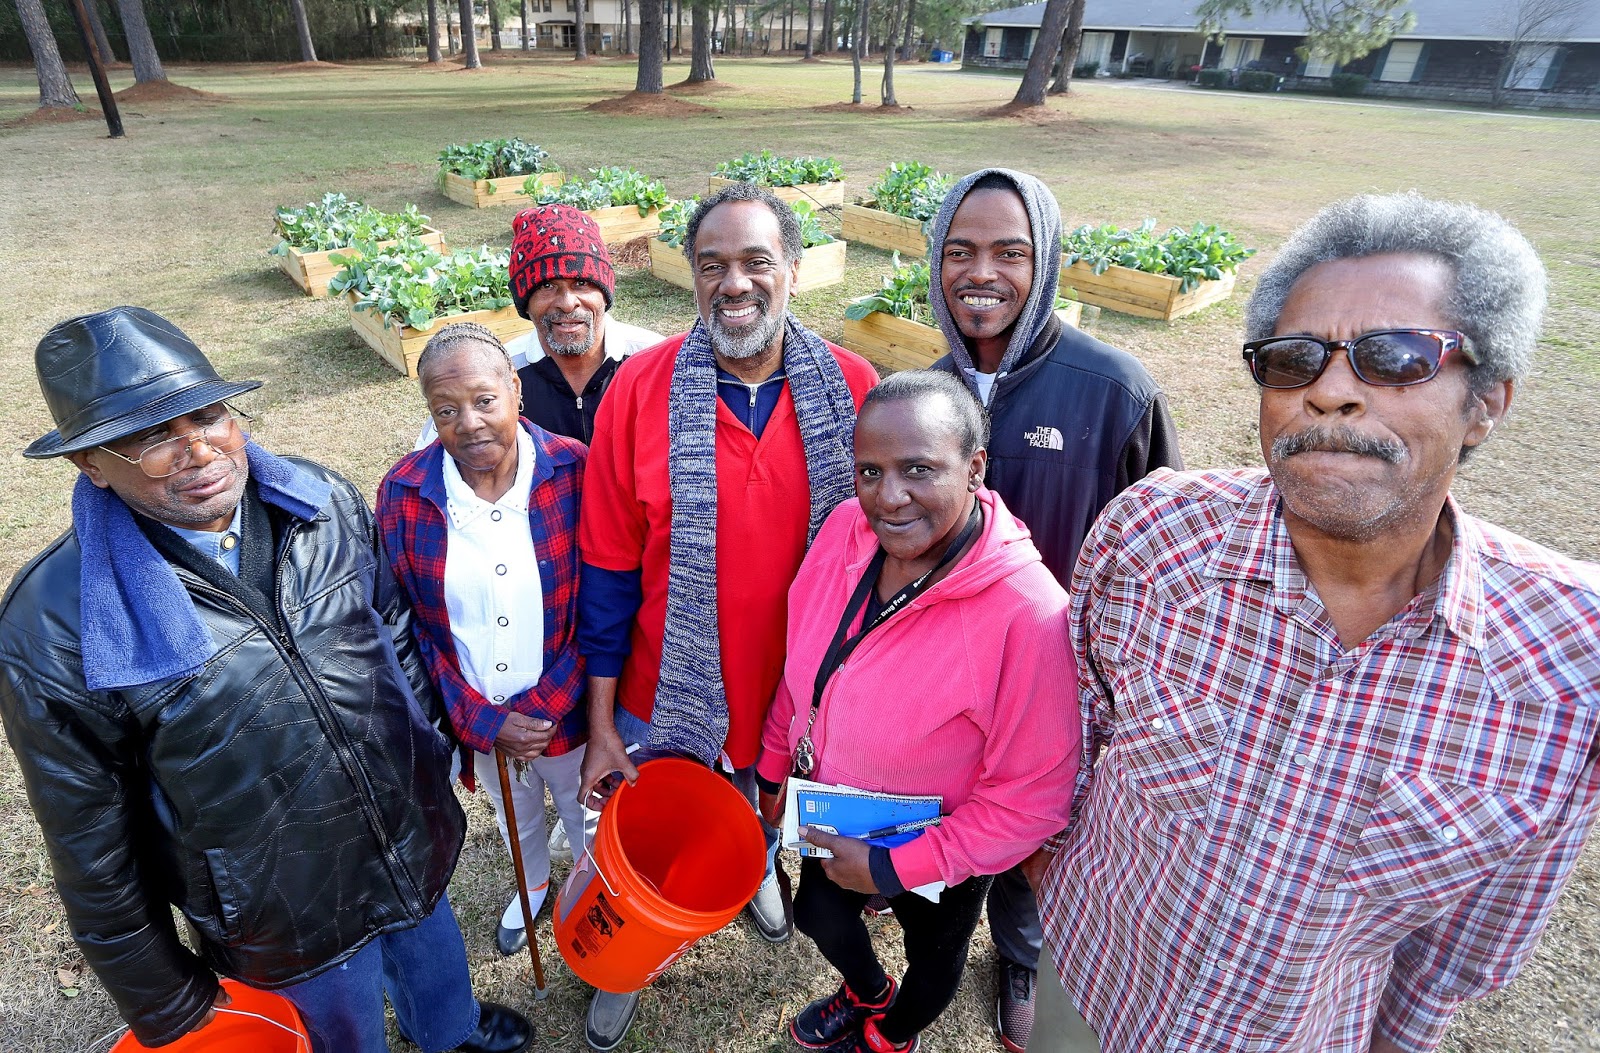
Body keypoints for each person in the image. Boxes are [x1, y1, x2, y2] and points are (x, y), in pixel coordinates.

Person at [1033, 192, 1600, 1053]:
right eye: (1295, 359)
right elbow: (1077, 727)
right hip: (1089, 989)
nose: (1332, 390)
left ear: (1486, 401)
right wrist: (1049, 875)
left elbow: (1457, 953)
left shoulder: (1568, 666)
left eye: (1396, 357)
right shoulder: (1150, 537)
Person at [0, 307, 533, 1053]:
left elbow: (392, 629)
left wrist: (430, 752)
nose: (199, 450)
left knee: (437, 971)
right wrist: (159, 994)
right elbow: (90, 841)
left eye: (209, 415)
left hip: (407, 836)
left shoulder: (320, 503)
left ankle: (453, 1035)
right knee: (343, 1036)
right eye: (154, 436)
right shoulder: (55, 621)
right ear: (90, 463)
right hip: (284, 909)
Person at [575, 183, 879, 1051]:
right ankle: (618, 960)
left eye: (755, 262)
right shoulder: (640, 389)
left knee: (752, 807)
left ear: (792, 269)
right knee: (638, 846)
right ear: (692, 278)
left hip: (788, 694)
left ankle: (754, 874)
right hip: (661, 688)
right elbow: (604, 572)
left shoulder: (852, 388)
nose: (733, 284)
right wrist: (601, 724)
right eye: (712, 265)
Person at [926, 168, 1183, 1051]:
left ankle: (1023, 952)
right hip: (955, 678)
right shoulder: (926, 394)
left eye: (1010, 252)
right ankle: (935, 953)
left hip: (1070, 684)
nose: (980, 273)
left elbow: (1166, 555)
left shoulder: (1113, 389)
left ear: (1047, 262)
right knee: (960, 826)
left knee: (1046, 842)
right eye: (959, 252)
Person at [756, 370, 1080, 1053]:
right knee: (818, 913)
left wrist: (892, 868)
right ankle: (868, 991)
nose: (889, 496)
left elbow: (1034, 801)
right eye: (869, 470)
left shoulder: (1028, 613)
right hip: (836, 809)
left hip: (944, 844)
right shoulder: (848, 527)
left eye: (918, 469)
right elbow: (804, 663)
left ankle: (893, 1032)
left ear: (975, 467)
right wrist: (773, 763)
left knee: (933, 961)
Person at [379, 323, 590, 962]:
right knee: (515, 814)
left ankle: (588, 898)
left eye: (484, 401)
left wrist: (546, 705)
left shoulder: (575, 473)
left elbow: (602, 609)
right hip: (481, 720)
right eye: (446, 410)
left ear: (515, 391)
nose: (469, 423)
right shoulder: (405, 493)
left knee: (587, 815)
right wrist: (482, 719)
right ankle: (531, 884)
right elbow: (411, 625)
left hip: (570, 711)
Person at [417, 203, 663, 448]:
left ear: (604, 292)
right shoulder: (496, 373)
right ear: (525, 300)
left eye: (581, 283)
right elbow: (424, 463)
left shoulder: (656, 362)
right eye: (547, 286)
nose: (567, 303)